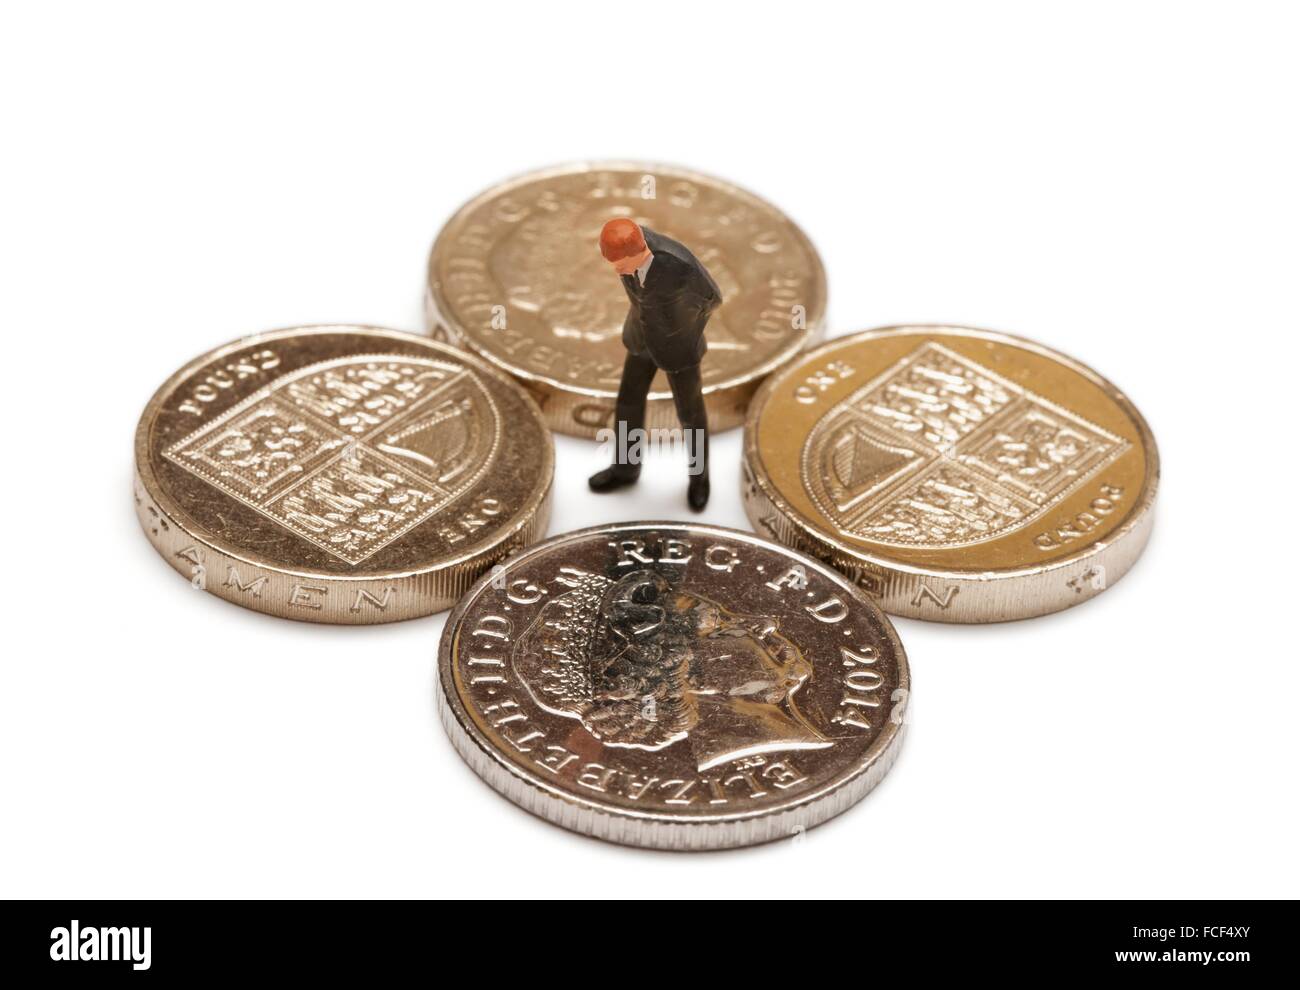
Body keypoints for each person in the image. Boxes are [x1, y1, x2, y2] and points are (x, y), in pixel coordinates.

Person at [587, 218, 721, 510]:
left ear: (640, 251)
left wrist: (683, 333)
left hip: (680, 350)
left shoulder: (679, 263)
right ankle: (626, 469)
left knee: (690, 416)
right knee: (627, 403)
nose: (618, 271)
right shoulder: (626, 251)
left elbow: (712, 298)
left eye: (621, 264)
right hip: (640, 340)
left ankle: (700, 479)